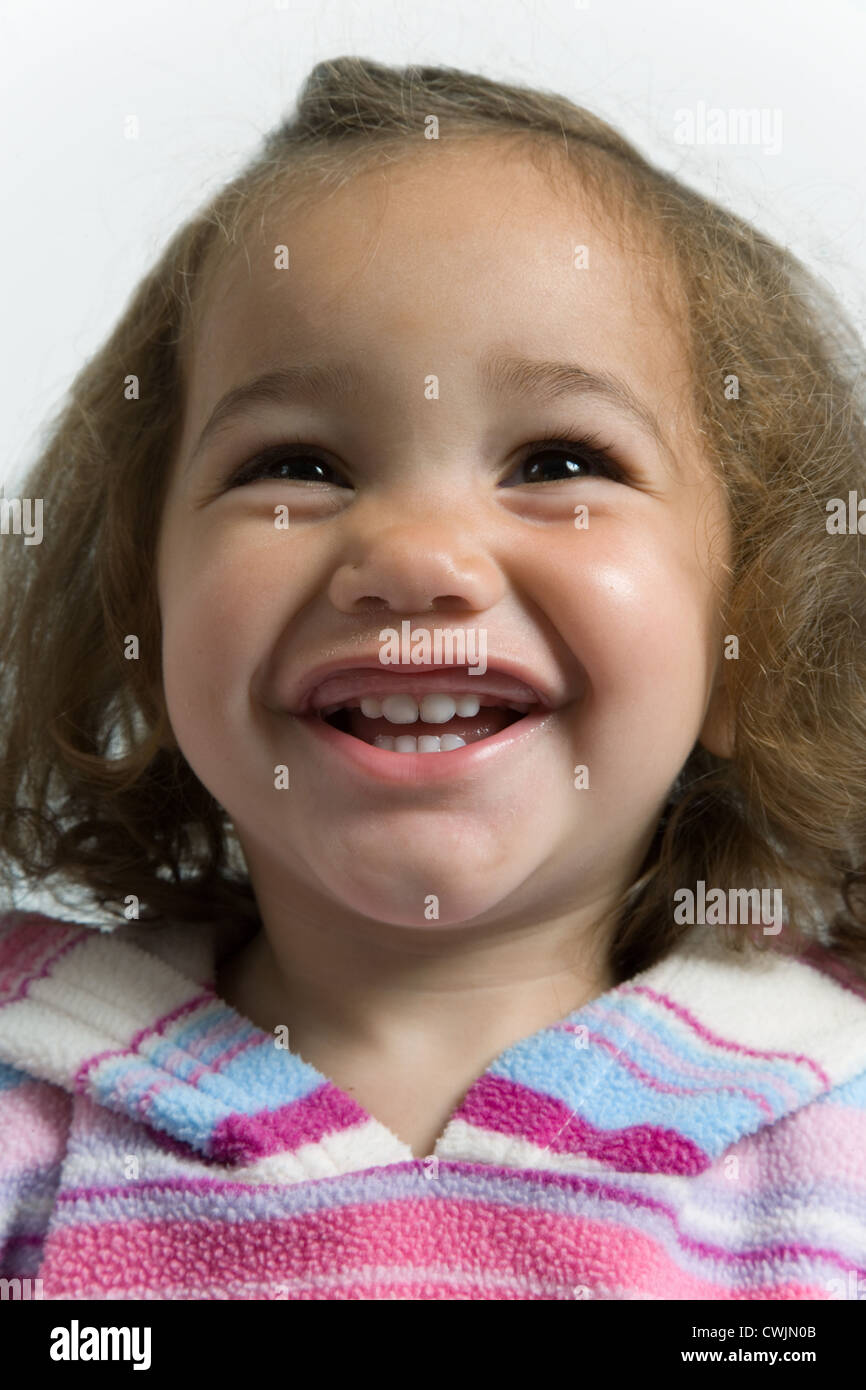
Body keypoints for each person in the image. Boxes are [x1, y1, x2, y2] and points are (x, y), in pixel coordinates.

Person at [1, 55, 865, 1301]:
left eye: (559, 459)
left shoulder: (829, 1139)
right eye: (295, 463)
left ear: (753, 633)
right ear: (149, 608)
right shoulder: (35, 1120)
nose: (411, 557)